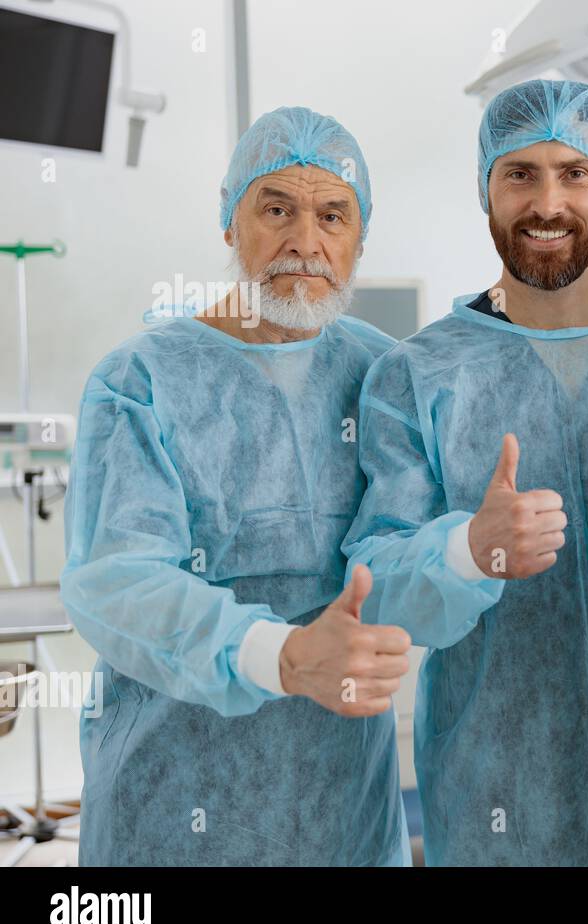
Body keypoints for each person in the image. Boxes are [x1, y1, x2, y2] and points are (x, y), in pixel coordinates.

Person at [343, 79, 588, 866]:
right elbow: (376, 583)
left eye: (573, 172)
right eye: (520, 173)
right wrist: (467, 549)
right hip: (497, 788)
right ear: (484, 189)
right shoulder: (417, 375)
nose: (547, 202)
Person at [62, 107, 417, 865]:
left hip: (340, 811)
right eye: (276, 209)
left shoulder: (388, 377)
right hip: (170, 800)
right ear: (231, 224)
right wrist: (280, 655)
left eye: (332, 215)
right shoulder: (142, 382)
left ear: (360, 238)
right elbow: (118, 582)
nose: (305, 242)